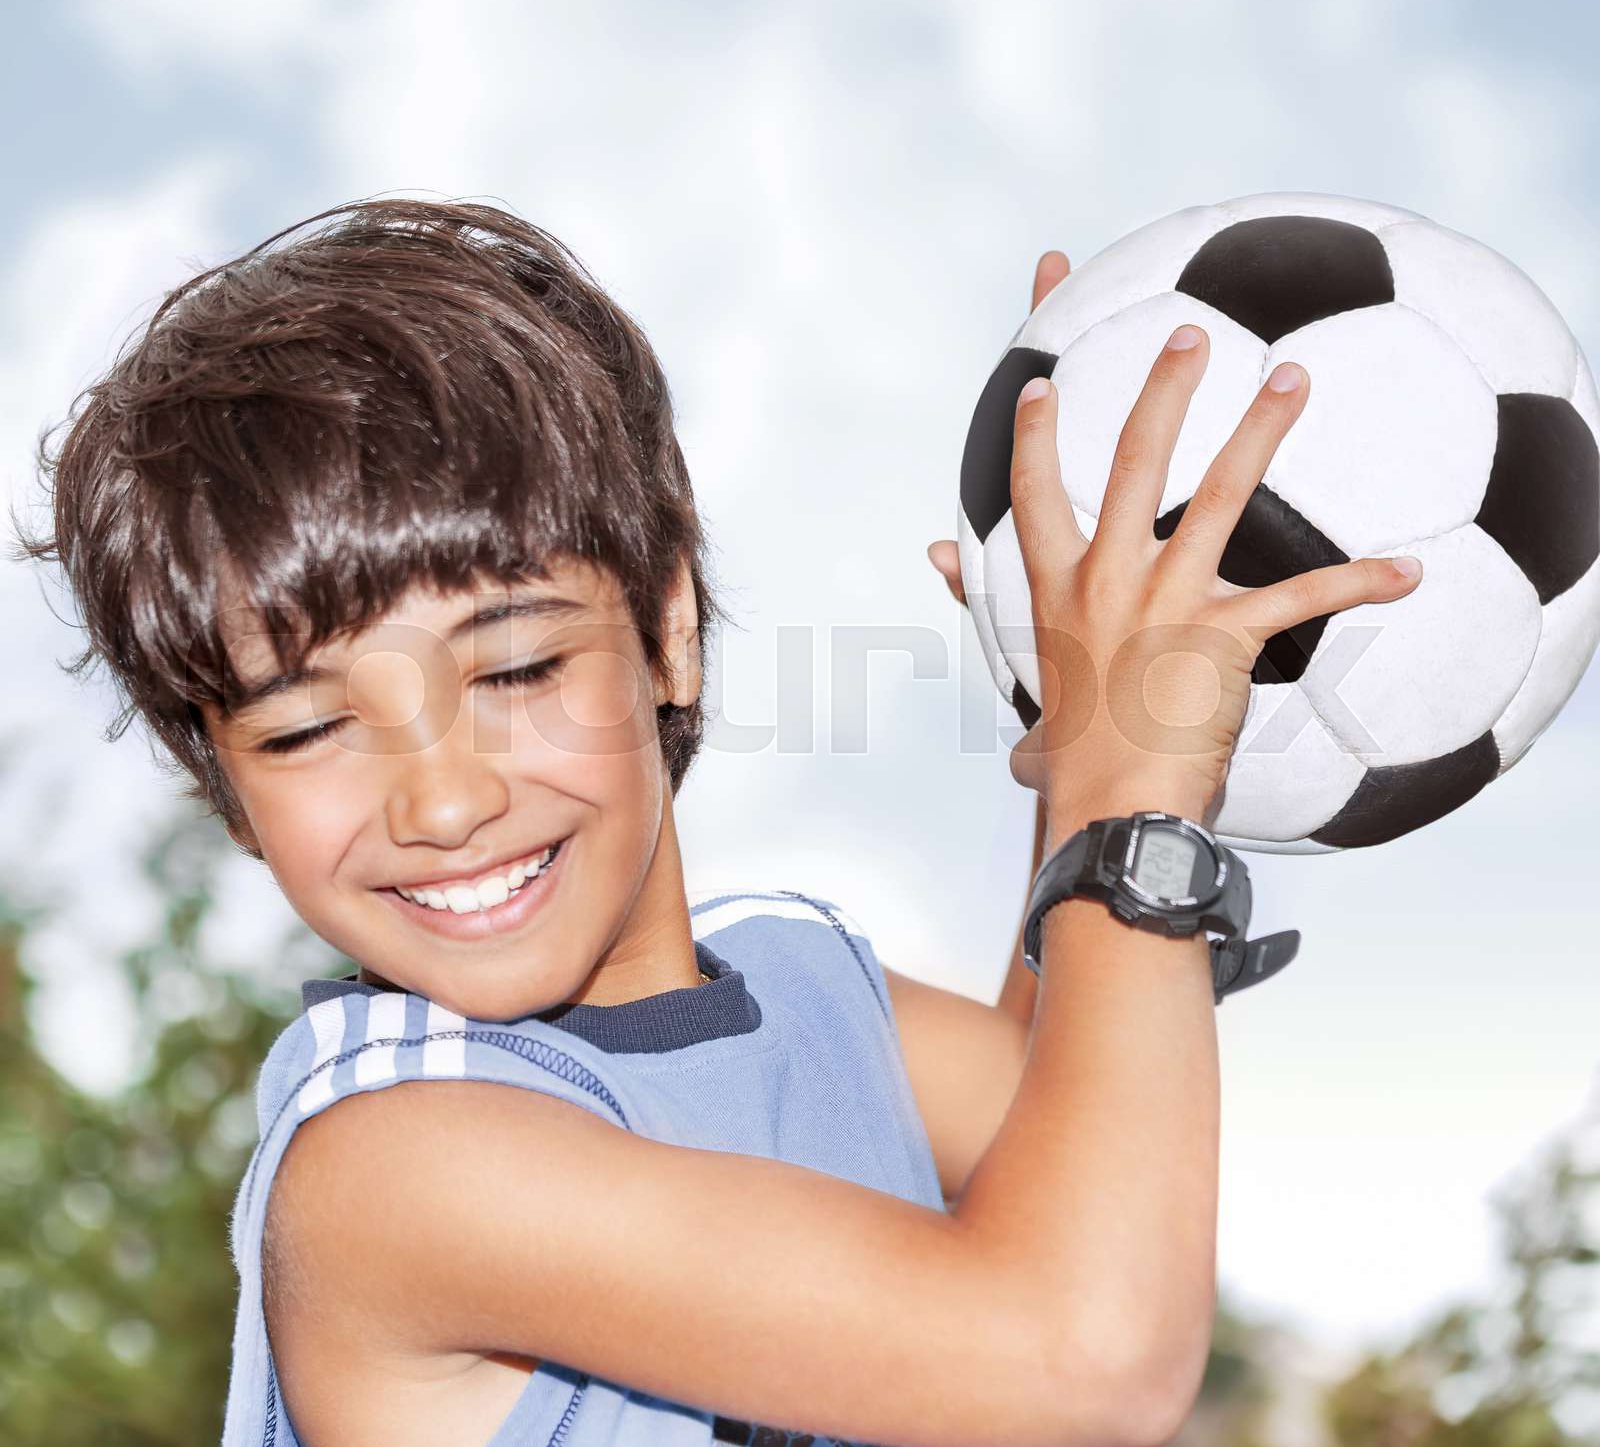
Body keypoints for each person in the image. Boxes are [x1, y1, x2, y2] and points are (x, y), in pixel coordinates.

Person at [12, 198, 1420, 1447]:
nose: (442, 800)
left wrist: (1088, 732)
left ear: (668, 628)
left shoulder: (816, 994)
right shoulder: (396, 1169)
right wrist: (1131, 795)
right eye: (306, 729)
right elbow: (1089, 1356)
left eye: (516, 670)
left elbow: (1062, 1151)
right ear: (226, 783)